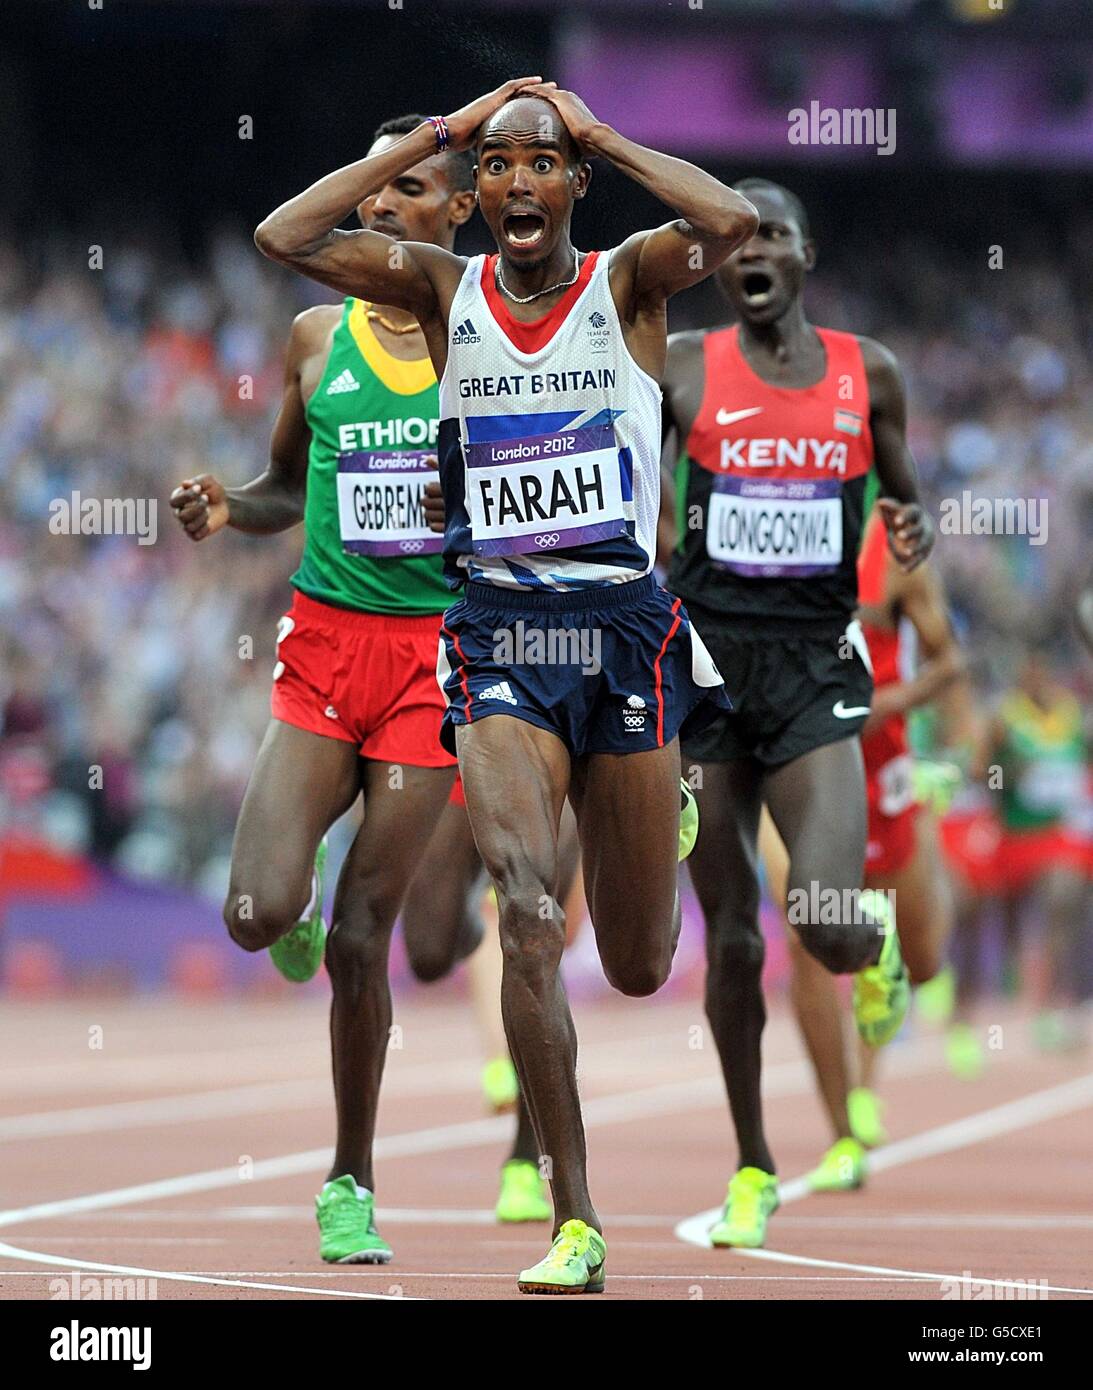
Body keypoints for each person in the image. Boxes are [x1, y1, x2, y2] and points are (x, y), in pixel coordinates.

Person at [254, 76, 759, 1293]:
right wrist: (438, 131)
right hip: (496, 637)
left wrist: (599, 131)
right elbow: (285, 236)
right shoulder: (444, 286)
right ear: (476, 194)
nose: (518, 184)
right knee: (527, 916)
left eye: (541, 166)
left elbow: (731, 224)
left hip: (620, 634)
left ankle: (662, 794)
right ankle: (574, 1222)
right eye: (498, 168)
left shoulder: (629, 279)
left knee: (637, 962)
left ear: (571, 184)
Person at [170, 113, 479, 1266]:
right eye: (374, 183)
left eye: (408, 188)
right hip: (322, 651)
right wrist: (224, 505)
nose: (380, 204)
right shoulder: (315, 335)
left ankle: (348, 1180)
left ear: (455, 213)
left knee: (365, 940)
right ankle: (285, 915)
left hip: (427, 664)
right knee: (255, 914)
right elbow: (283, 487)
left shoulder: (476, 337)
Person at [660, 178, 934, 1249]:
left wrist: (909, 529)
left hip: (819, 669)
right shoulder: (682, 367)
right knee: (731, 943)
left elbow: (904, 494)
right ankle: (753, 1163)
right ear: (718, 261)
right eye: (733, 235)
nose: (752, 248)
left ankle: (880, 944)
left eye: (770, 231)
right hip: (709, 673)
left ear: (803, 252)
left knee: (821, 920)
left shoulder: (873, 374)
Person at [760, 518, 968, 1190]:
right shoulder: (756, 532)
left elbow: (950, 663)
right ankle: (843, 1130)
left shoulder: (895, 554)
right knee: (805, 930)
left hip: (883, 768)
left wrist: (888, 705)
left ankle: (867, 1070)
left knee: (925, 956)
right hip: (794, 760)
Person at [401, 780, 582, 1223]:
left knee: (539, 938)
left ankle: (523, 1164)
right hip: (473, 741)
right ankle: (486, 917)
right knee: (427, 953)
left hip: (557, 747)